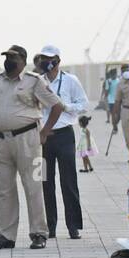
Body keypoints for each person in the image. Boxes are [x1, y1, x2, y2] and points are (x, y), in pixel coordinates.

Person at [0, 44, 62, 249]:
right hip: (0, 141)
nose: (8, 60)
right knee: (3, 190)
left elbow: (57, 106)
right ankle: (6, 236)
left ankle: (39, 233)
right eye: (6, 56)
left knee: (34, 186)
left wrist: (45, 132)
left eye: (13, 57)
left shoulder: (33, 81)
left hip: (28, 140)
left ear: (23, 61)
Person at [33, 45, 88, 238]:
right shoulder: (36, 81)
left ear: (57, 60)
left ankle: (73, 227)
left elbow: (83, 104)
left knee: (69, 181)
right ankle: (49, 227)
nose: (47, 62)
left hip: (65, 134)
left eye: (50, 59)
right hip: (42, 137)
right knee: (44, 181)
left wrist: (66, 107)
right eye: (43, 58)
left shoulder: (70, 80)